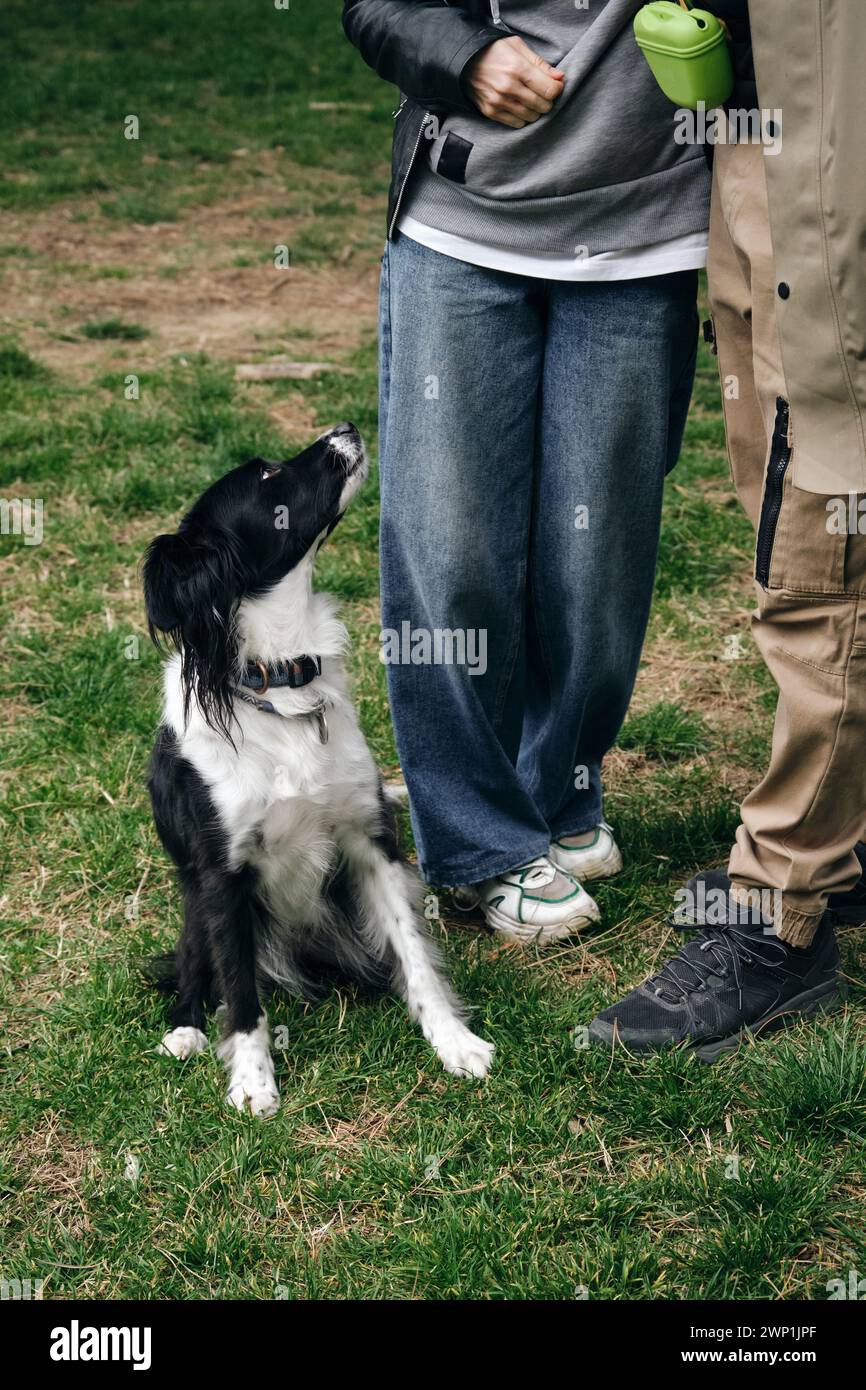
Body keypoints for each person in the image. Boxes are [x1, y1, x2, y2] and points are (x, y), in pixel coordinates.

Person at [343, 0, 708, 944]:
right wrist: (464, 54)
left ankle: (558, 790)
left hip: (648, 231)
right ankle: (479, 843)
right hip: (466, 226)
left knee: (598, 564)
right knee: (450, 545)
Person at [590, 0, 866, 1055]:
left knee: (820, 536)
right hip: (755, 136)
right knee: (776, 494)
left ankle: (778, 915)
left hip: (835, 168)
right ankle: (839, 835)